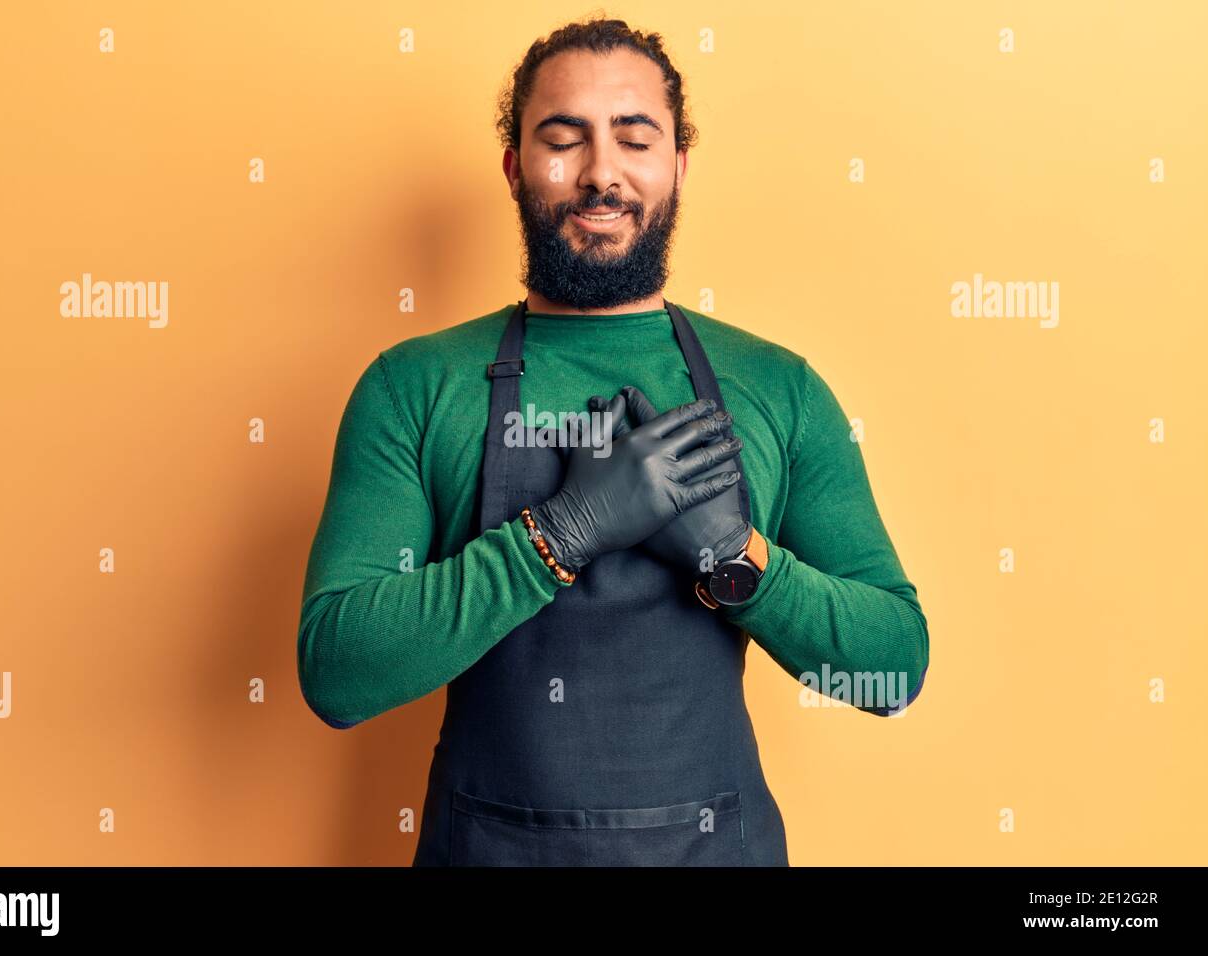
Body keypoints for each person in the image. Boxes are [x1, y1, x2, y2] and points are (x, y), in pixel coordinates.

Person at [297, 17, 929, 866]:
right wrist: (559, 535)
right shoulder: (413, 386)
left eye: (635, 139)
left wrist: (731, 557)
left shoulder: (779, 386)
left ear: (677, 166)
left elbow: (894, 668)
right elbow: (337, 675)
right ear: (517, 168)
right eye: (564, 139)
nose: (601, 173)